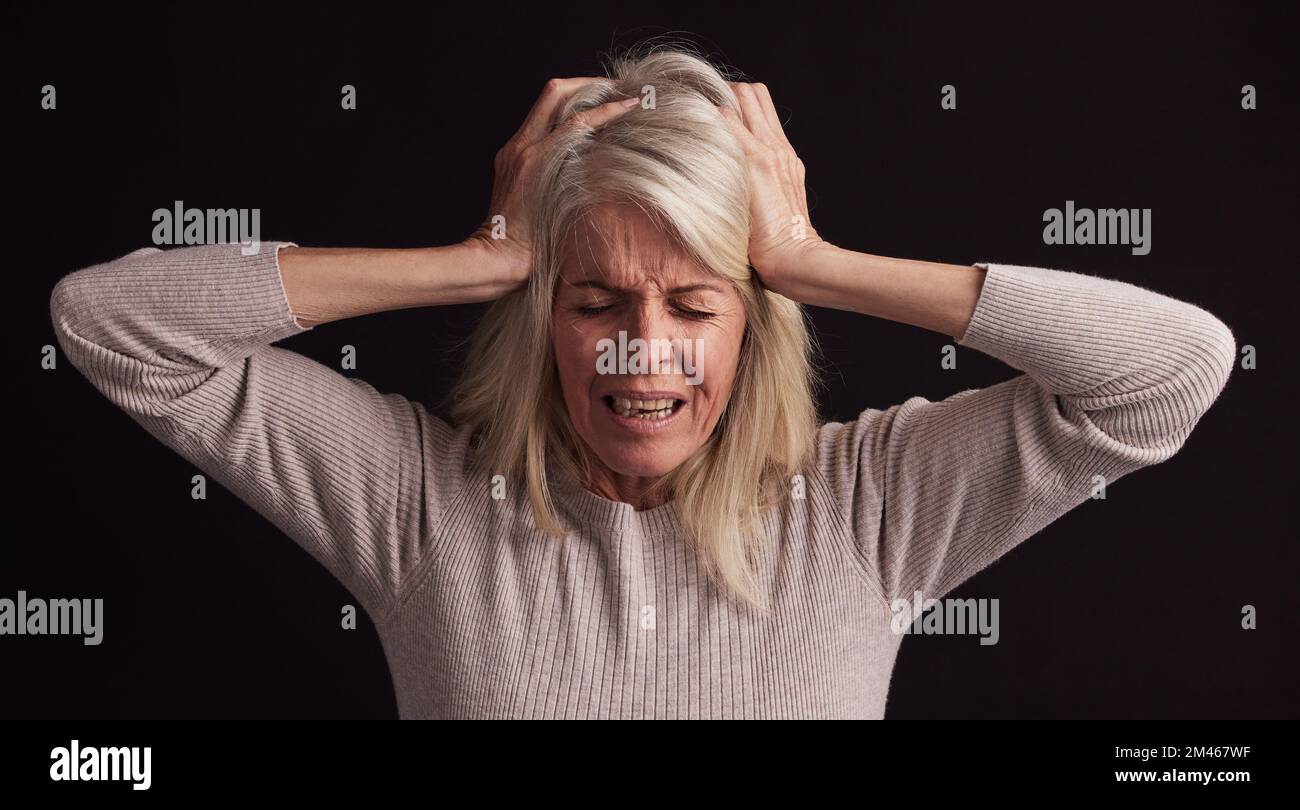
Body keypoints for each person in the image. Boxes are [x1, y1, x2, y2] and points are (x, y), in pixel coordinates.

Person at [49, 47, 1235, 718]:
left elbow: (1170, 371)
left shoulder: (871, 503)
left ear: (753, 322)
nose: (645, 349)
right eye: (595, 300)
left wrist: (813, 262)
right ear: (544, 320)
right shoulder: (420, 500)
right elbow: (110, 326)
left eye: (696, 303)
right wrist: (484, 258)